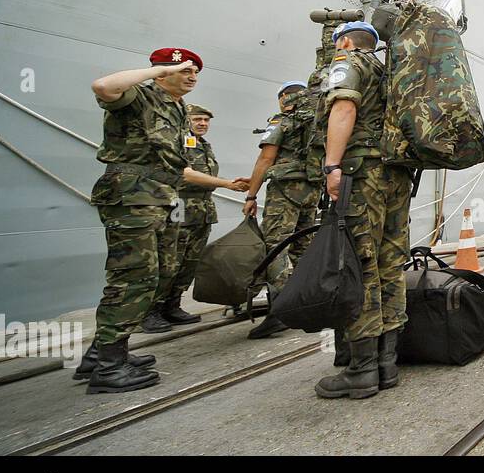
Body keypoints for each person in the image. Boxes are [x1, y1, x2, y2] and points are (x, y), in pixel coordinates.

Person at [77, 49, 249, 393]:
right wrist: (154, 71)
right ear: (163, 71)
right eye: (185, 70)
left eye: (196, 72)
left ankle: (103, 354)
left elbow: (177, 165)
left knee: (145, 276)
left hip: (158, 195)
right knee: (133, 277)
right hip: (132, 195)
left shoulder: (177, 108)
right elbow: (102, 86)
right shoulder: (139, 94)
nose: (192, 76)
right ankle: (109, 368)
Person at [312, 22, 412, 399]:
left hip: (362, 173)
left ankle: (362, 369)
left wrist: (331, 166)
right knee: (391, 263)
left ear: (345, 41)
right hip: (396, 176)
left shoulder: (348, 61)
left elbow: (343, 108)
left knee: (359, 263)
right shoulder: (393, 73)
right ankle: (387, 363)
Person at [242, 81, 319, 339]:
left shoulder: (282, 120)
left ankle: (282, 311)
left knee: (276, 246)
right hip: (311, 189)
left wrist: (251, 195)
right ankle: (310, 302)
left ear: (285, 98)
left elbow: (266, 158)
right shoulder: (318, 123)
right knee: (303, 246)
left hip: (285, 189)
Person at [155, 103, 234, 329]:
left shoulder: (202, 145)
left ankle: (172, 305)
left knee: (189, 261)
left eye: (206, 120)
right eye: (197, 119)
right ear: (186, 119)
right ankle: (152, 311)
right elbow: (186, 176)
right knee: (170, 260)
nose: (202, 124)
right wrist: (227, 184)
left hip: (202, 209)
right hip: (180, 208)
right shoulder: (178, 142)